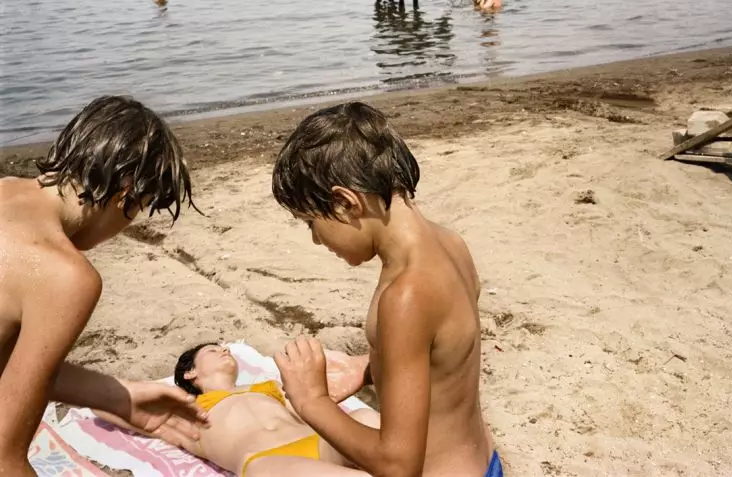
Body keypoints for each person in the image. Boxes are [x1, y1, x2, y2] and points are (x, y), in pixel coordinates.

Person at [271, 102, 502, 477]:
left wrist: (310, 399)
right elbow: (445, 353)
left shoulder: (404, 296)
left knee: (268, 468)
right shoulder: (449, 244)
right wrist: (368, 368)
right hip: (482, 464)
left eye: (310, 222)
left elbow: (399, 465)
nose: (315, 240)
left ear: (345, 203)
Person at [0, 96, 207, 475]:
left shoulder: (6, 188)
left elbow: (7, 364)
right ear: (125, 192)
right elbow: (3, 458)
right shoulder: (64, 275)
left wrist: (118, 395)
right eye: (140, 206)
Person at [98, 343, 380, 476]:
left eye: (227, 349)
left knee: (368, 419)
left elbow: (313, 410)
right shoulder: (184, 410)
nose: (225, 351)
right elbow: (104, 408)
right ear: (190, 373)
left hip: (316, 441)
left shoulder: (269, 386)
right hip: (267, 460)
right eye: (212, 350)